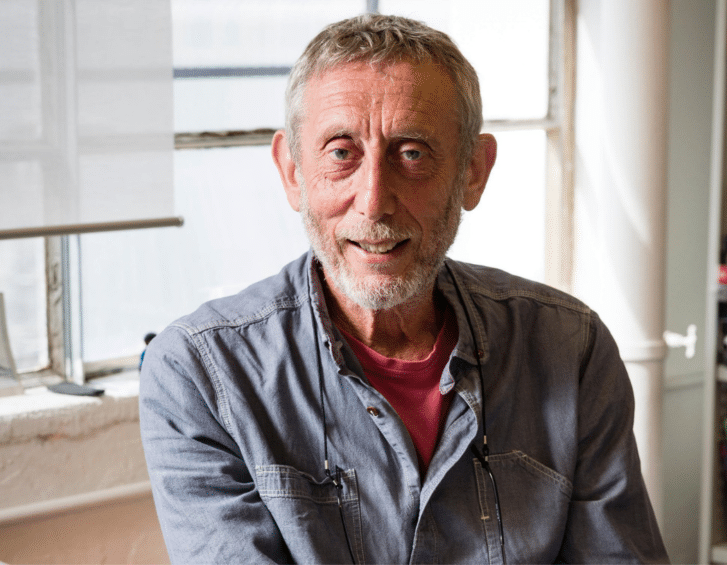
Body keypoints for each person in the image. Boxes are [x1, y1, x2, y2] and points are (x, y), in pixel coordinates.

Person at [139, 14, 669, 564]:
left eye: (412, 153)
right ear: (293, 171)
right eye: (341, 152)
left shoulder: (570, 346)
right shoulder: (201, 372)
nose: (374, 201)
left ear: (473, 171)